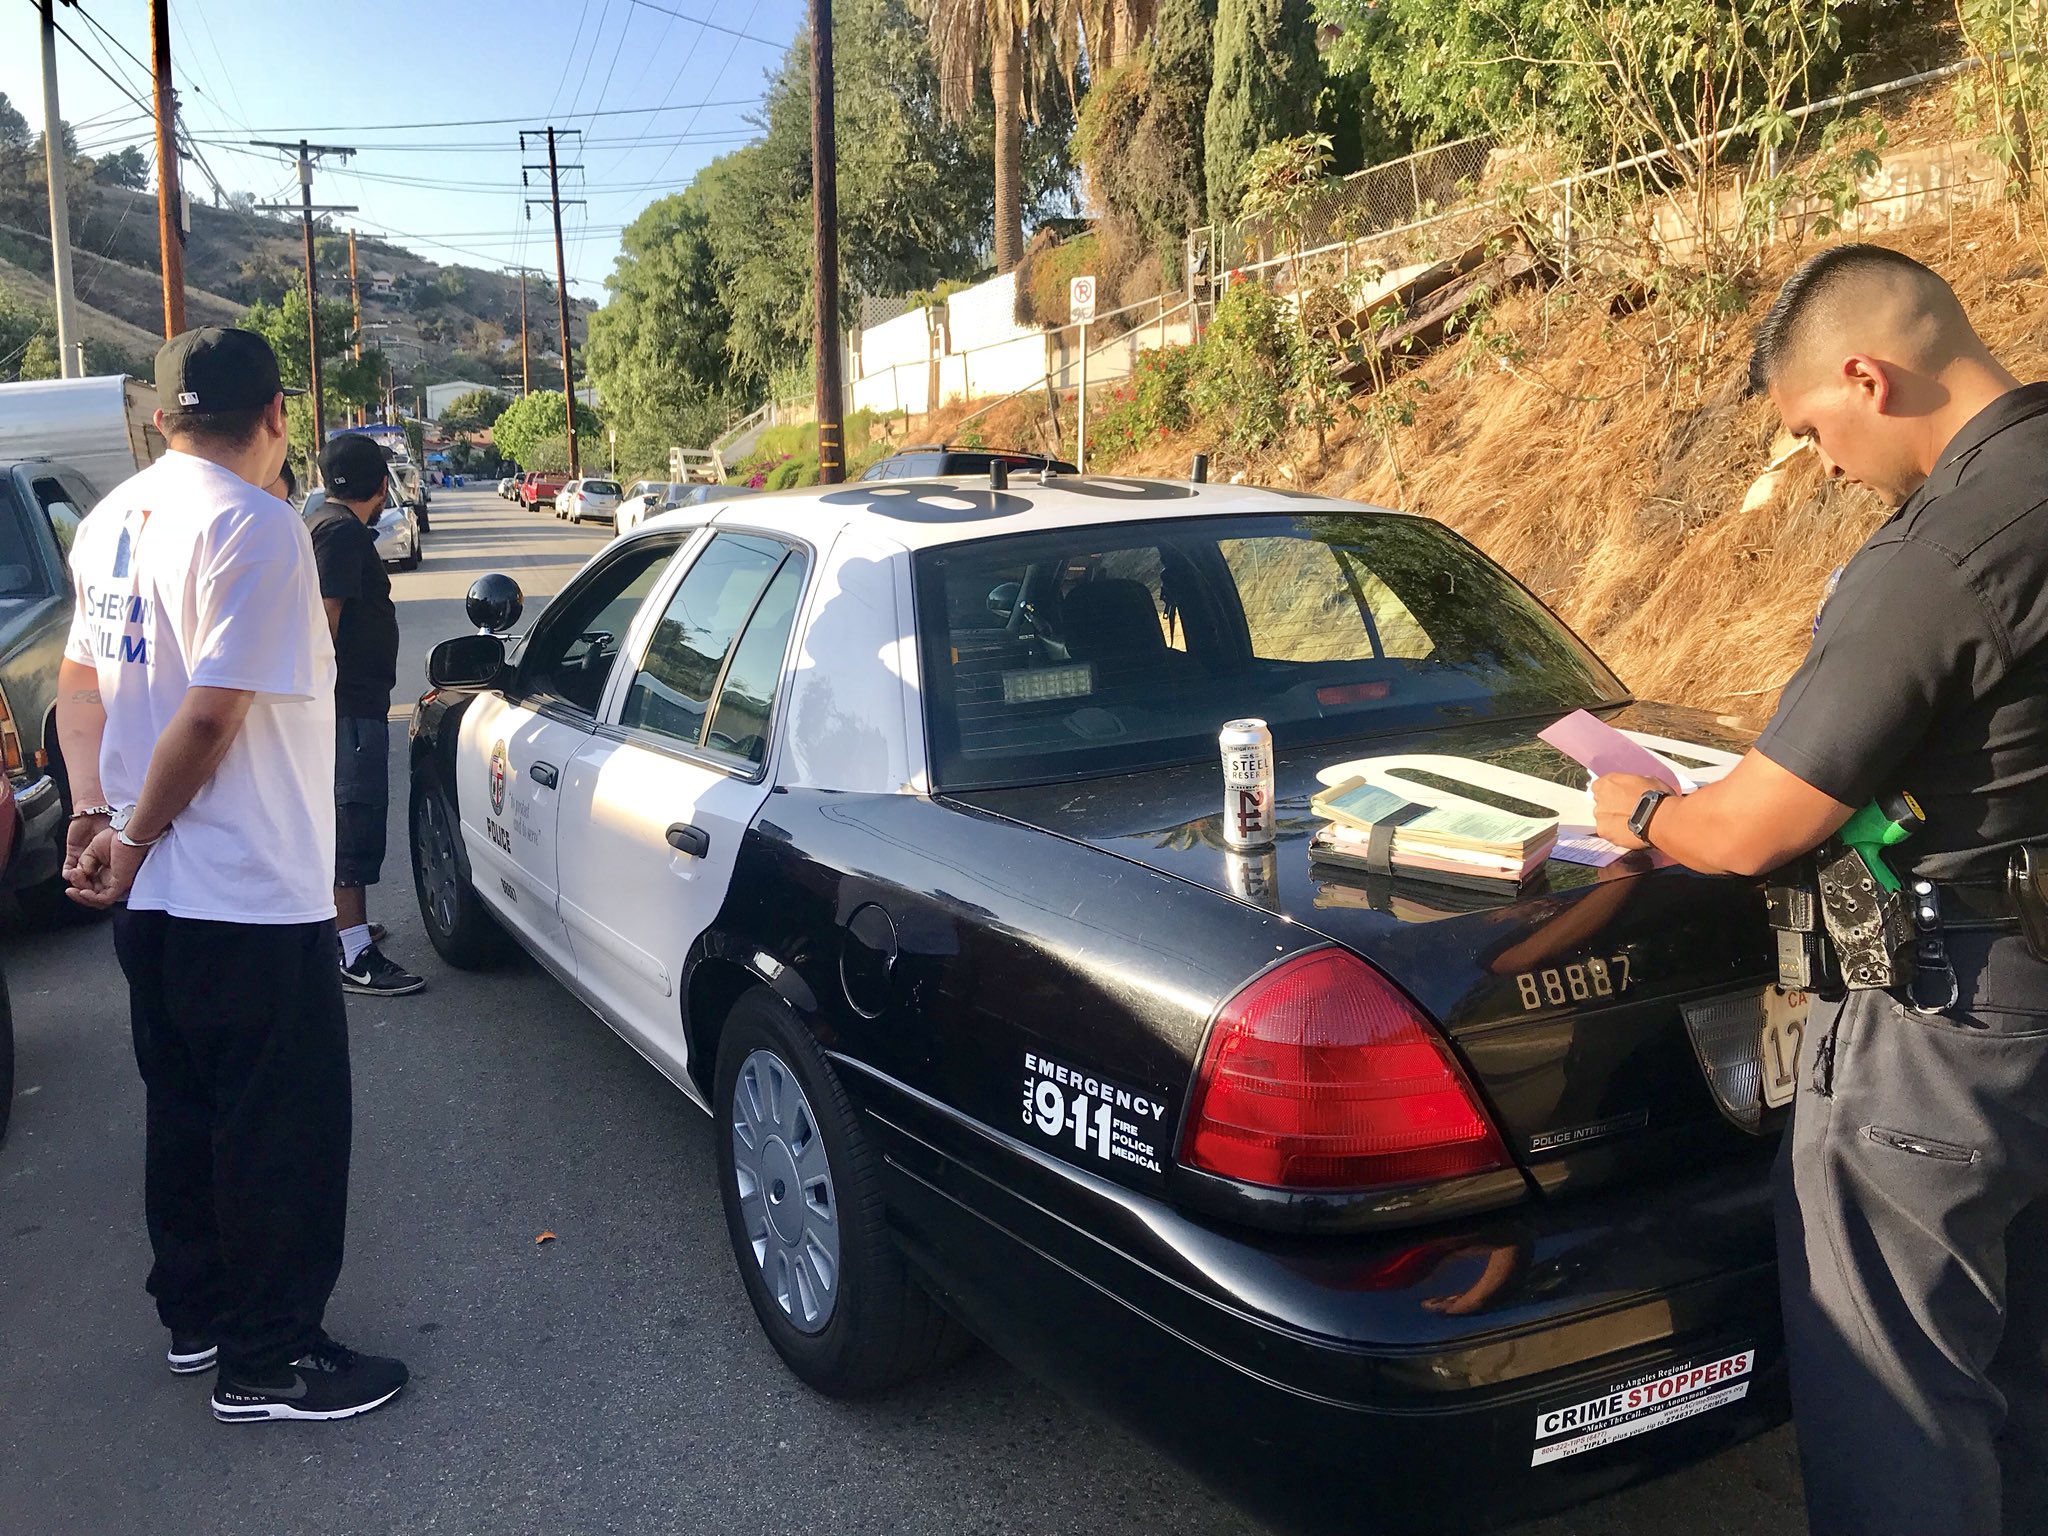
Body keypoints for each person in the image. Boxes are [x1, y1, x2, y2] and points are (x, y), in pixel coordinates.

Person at [1590, 243, 2048, 1536]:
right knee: (2018, 1378)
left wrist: (1642, 811)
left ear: (1866, 376)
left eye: (1810, 431)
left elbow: (1750, 830)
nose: (1825, 466)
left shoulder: (1936, 555)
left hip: (1940, 1033)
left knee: (1897, 1400)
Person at [57, 326, 408, 1423]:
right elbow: (213, 714)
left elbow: (78, 683)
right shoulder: (255, 526)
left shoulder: (112, 521)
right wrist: (133, 834)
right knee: (279, 1129)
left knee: (186, 1110)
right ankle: (271, 1359)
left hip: (154, 900)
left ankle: (198, 1317)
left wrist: (95, 815)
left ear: (165, 420)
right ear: (275, 418)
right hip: (243, 886)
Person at [309, 434, 424, 996]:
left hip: (347, 704)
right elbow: (324, 622)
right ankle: (352, 951)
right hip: (346, 707)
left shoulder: (321, 524)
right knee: (351, 825)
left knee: (343, 822)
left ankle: (341, 928)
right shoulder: (342, 534)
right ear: (381, 484)